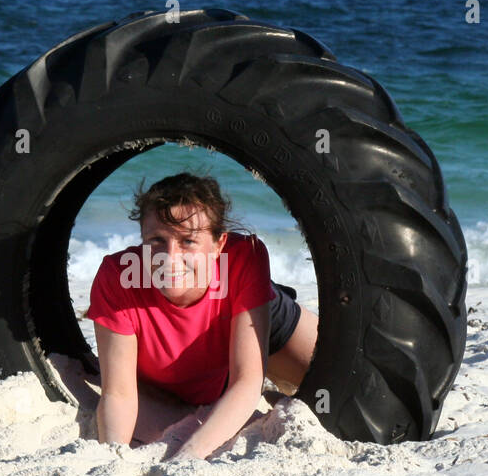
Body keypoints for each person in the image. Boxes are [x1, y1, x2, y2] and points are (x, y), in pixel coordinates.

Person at [86, 172, 318, 461]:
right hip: (185, 380)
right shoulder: (117, 277)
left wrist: (189, 455)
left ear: (219, 245)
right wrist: (112, 460)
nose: (170, 258)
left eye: (188, 241)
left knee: (333, 384)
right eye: (156, 240)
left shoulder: (245, 256)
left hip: (253, 312)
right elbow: (118, 394)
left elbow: (247, 381)